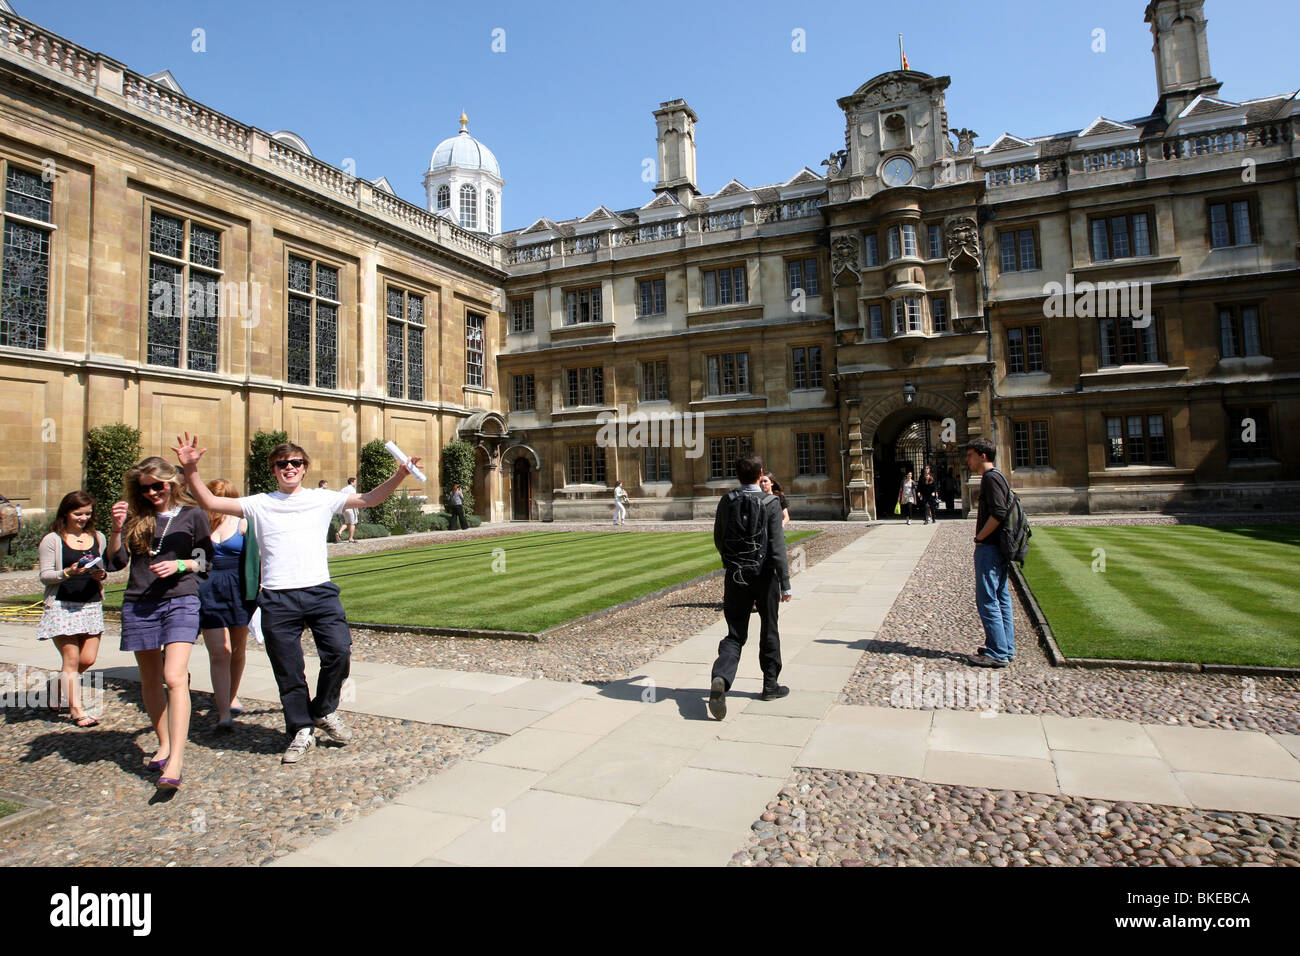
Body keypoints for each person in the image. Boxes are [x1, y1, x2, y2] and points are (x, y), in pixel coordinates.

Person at [173, 432, 420, 764]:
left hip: (320, 591)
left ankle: (322, 709)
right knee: (289, 669)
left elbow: (370, 499)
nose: (289, 467)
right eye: (282, 464)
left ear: (305, 468)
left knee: (339, 653)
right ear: (273, 470)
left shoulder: (322, 498)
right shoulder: (258, 503)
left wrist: (401, 474)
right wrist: (190, 470)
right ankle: (301, 728)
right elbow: (210, 502)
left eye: (296, 463)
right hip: (277, 597)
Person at [106, 457, 212, 791]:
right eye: (145, 488)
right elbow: (115, 563)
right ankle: (164, 742)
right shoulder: (139, 517)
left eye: (157, 485)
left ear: (171, 483)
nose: (152, 492)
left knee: (173, 676)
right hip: (140, 603)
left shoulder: (193, 514)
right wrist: (116, 528)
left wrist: (180, 564)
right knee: (150, 680)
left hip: (181, 600)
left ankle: (176, 760)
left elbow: (206, 561)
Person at [708, 452, 792, 720]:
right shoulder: (770, 502)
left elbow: (719, 538)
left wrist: (731, 563)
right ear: (760, 474)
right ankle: (770, 685)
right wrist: (786, 583)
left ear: (737, 475)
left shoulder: (727, 500)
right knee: (769, 627)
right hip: (766, 576)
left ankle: (721, 677)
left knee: (735, 633)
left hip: (736, 576)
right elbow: (778, 548)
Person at [37, 491, 108, 727]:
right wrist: (68, 572)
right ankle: (77, 710)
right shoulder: (53, 540)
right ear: (66, 512)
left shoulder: (98, 537)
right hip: (61, 606)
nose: (83, 518)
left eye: (87, 513)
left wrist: (101, 574)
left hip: (91, 605)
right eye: (78, 513)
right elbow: (45, 576)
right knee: (72, 657)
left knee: (87, 659)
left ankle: (57, 686)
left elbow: (102, 568)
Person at [198, 479, 257, 730]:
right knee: (219, 652)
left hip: (238, 588)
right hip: (207, 587)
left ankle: (231, 694)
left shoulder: (243, 522)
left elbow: (256, 558)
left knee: (238, 649)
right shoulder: (200, 524)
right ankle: (223, 712)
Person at [966, 438, 1014, 668]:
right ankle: (1005, 647)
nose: (968, 459)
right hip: (999, 547)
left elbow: (999, 513)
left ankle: (997, 652)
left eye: (970, 455)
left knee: (987, 599)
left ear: (982, 456)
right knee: (1001, 597)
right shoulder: (999, 476)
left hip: (991, 547)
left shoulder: (990, 478)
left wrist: (980, 537)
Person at [339, 477, 360, 542]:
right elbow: (354, 499)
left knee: (347, 523)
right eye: (355, 482)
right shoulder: (352, 489)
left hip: (344, 508)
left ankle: (339, 532)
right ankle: (351, 538)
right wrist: (357, 509)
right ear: (351, 482)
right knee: (352, 523)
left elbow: (339, 498)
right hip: (351, 508)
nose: (355, 483)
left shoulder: (343, 489)